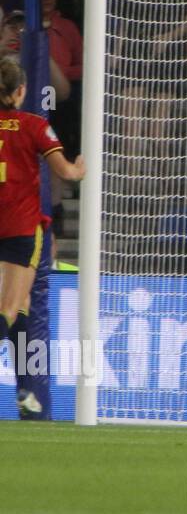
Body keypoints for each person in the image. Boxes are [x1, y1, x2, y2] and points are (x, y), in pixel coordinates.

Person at [0, 58, 85, 419]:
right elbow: (66, 171)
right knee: (8, 308)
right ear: (21, 90)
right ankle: (26, 393)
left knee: (20, 310)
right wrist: (82, 166)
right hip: (21, 228)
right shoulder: (35, 125)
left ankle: (25, 392)